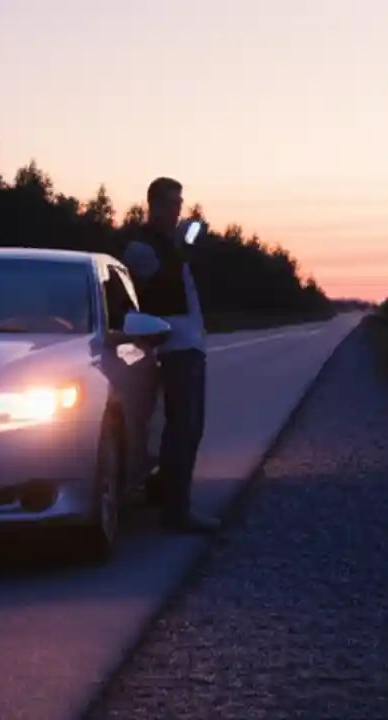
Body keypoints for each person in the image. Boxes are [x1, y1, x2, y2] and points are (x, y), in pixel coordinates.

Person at [121, 177, 221, 534]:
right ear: (155, 205)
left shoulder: (170, 244)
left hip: (189, 342)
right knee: (183, 427)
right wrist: (181, 249)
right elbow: (154, 290)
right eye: (172, 203)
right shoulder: (142, 247)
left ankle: (165, 493)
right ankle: (177, 511)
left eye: (180, 203)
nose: (178, 210)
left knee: (186, 427)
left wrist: (186, 247)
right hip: (172, 345)